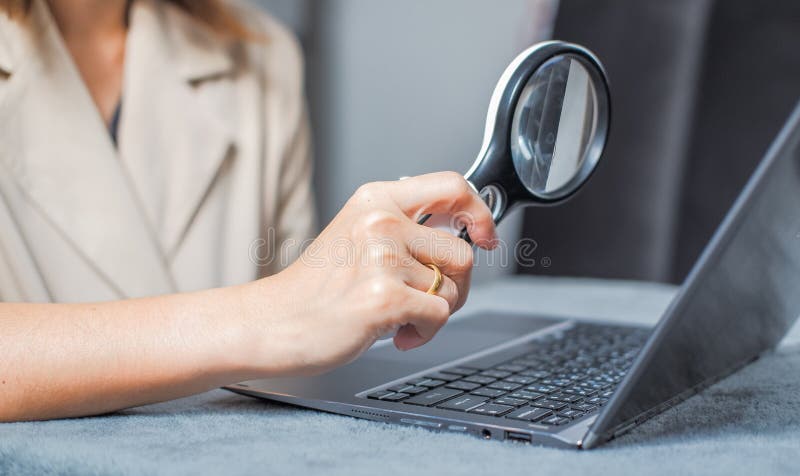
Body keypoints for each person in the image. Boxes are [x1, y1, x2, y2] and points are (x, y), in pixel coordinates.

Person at [0, 0, 497, 421]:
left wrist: (367, 277)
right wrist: (271, 316)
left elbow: (306, 339)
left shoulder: (262, 55)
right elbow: (292, 312)